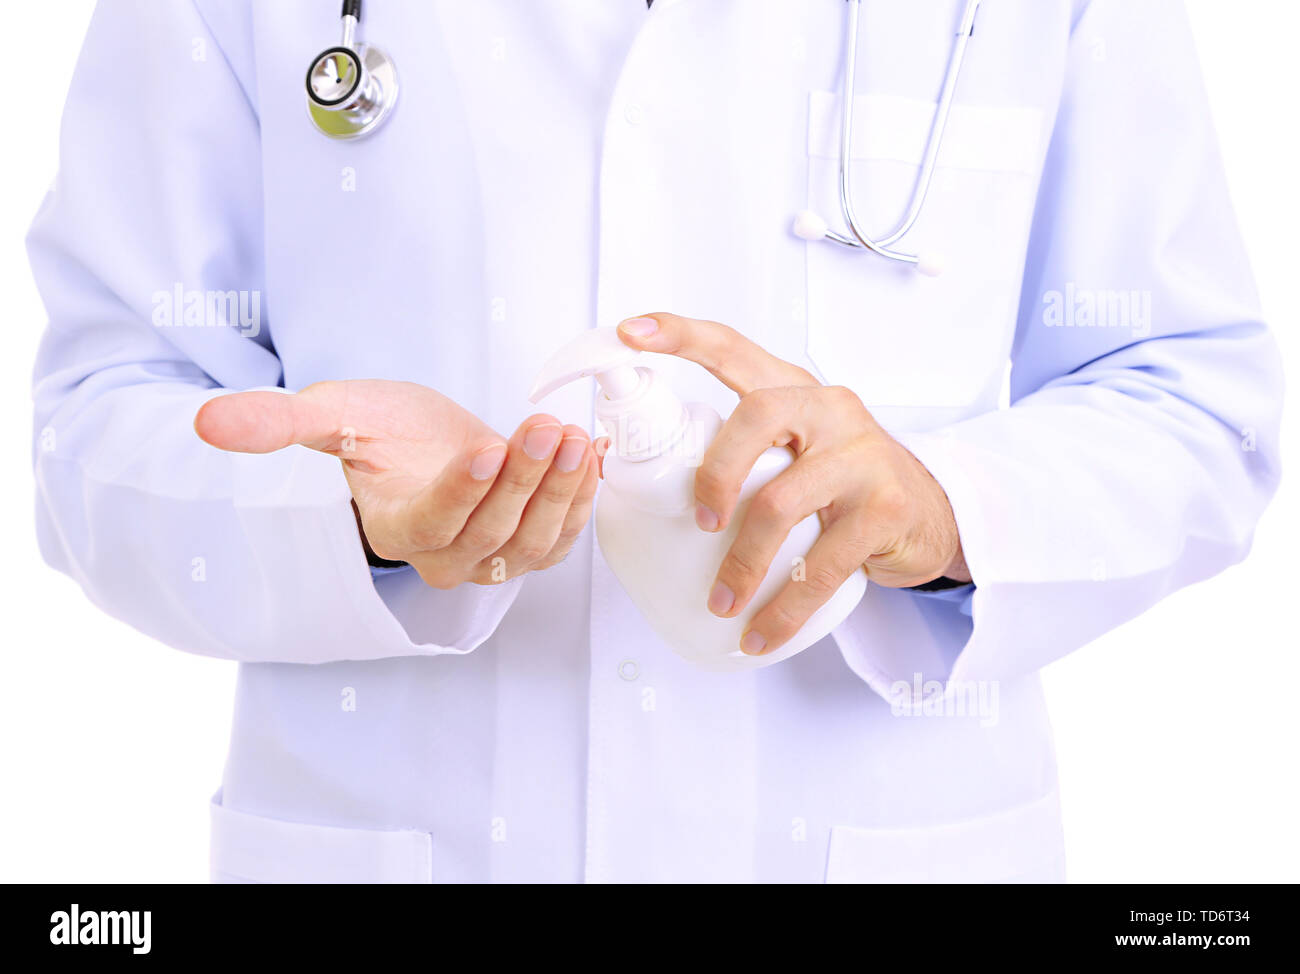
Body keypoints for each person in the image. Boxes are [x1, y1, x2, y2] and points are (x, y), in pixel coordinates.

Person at [29, 0, 1281, 883]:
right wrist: (348, 521)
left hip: (888, 838)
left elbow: (1191, 396)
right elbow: (103, 408)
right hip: (402, 836)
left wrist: (941, 507)